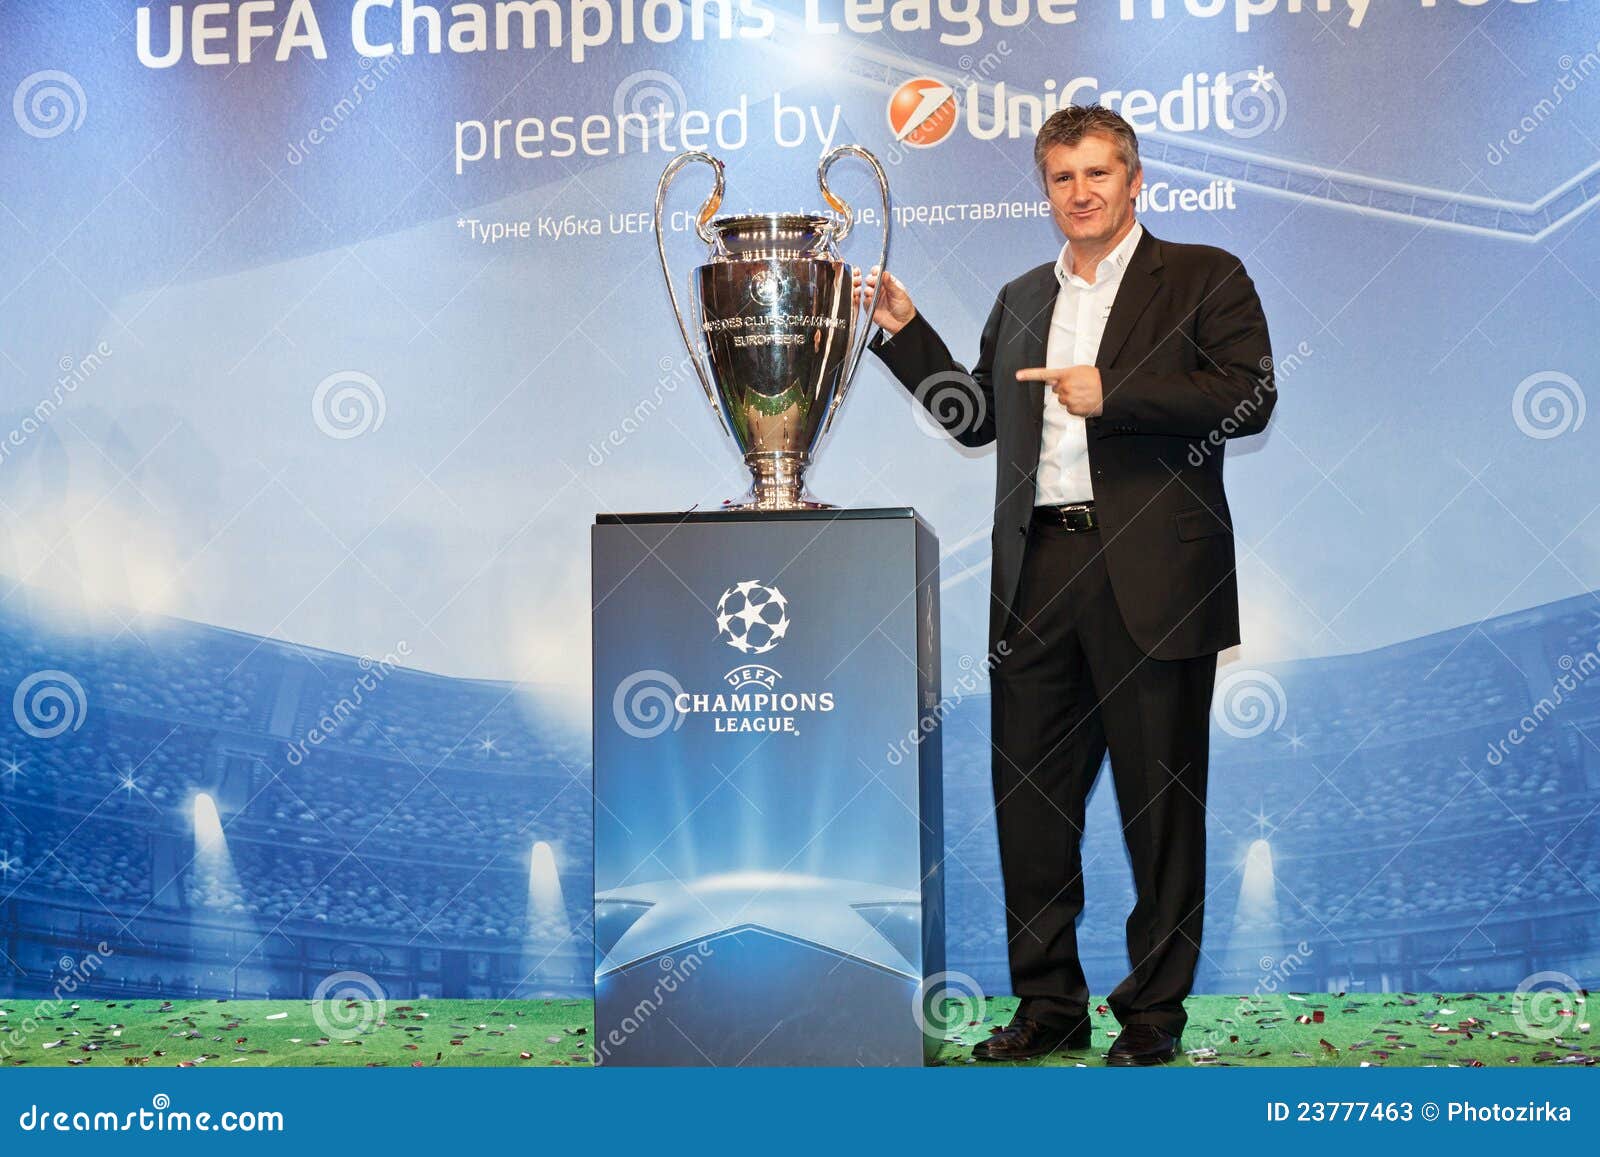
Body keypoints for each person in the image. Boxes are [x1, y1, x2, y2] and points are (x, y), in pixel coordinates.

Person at [858, 104, 1275, 1065]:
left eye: (1098, 173)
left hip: (1156, 576)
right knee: (1032, 806)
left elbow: (1250, 395)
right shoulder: (1019, 297)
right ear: (1045, 190)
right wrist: (907, 332)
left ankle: (1154, 1014)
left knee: (1159, 808)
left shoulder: (1205, 275)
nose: (1080, 193)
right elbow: (975, 418)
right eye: (1062, 177)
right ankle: (1049, 1006)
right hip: (1036, 574)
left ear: (1134, 180)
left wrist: (1112, 393)